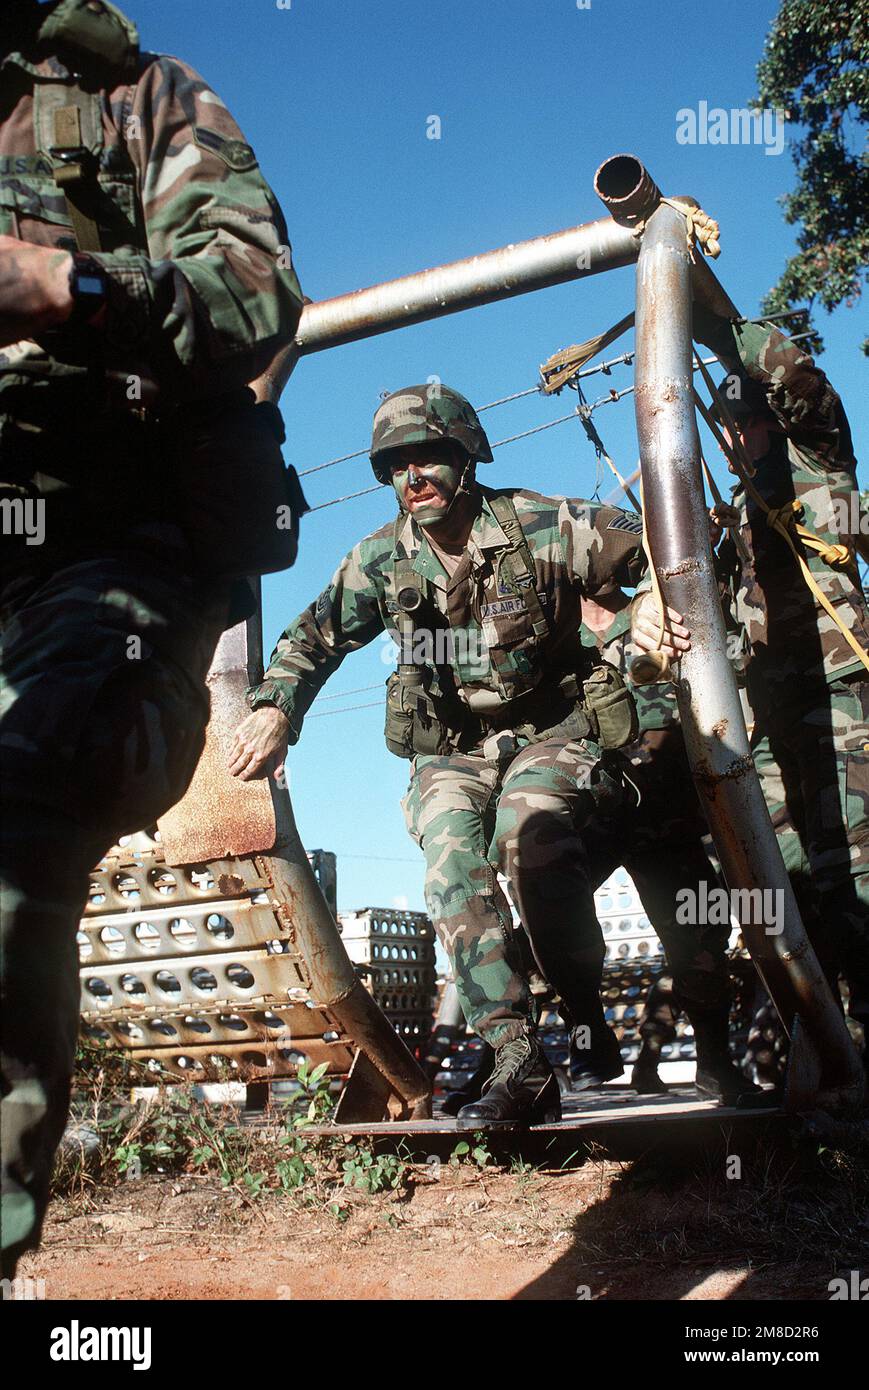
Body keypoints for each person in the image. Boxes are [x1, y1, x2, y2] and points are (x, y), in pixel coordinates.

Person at [0, 0, 304, 1276]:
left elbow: (258, 293)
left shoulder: (128, 97)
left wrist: (64, 286)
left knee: (14, 812)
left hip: (104, 549)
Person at [230, 382, 648, 1127]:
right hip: (453, 751)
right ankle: (517, 1057)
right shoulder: (381, 561)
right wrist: (274, 708)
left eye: (428, 459)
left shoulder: (541, 524)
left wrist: (646, 611)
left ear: (466, 457)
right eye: (395, 466)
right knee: (451, 857)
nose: (412, 478)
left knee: (530, 831)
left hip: (554, 732)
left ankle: (583, 1008)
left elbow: (655, 546)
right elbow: (313, 638)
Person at [632, 315, 869, 1062]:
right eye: (727, 428)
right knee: (778, 882)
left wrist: (707, 319)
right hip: (765, 721)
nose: (738, 440)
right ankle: (812, 1049)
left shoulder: (819, 465)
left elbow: (801, 382)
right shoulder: (724, 519)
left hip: (838, 700)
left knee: (855, 874)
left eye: (751, 423)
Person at [579, 581, 755, 1102]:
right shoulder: (557, 633)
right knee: (546, 920)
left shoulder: (654, 611)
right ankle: (509, 1062)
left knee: (700, 934)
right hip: (595, 802)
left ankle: (716, 1063)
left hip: (667, 807)